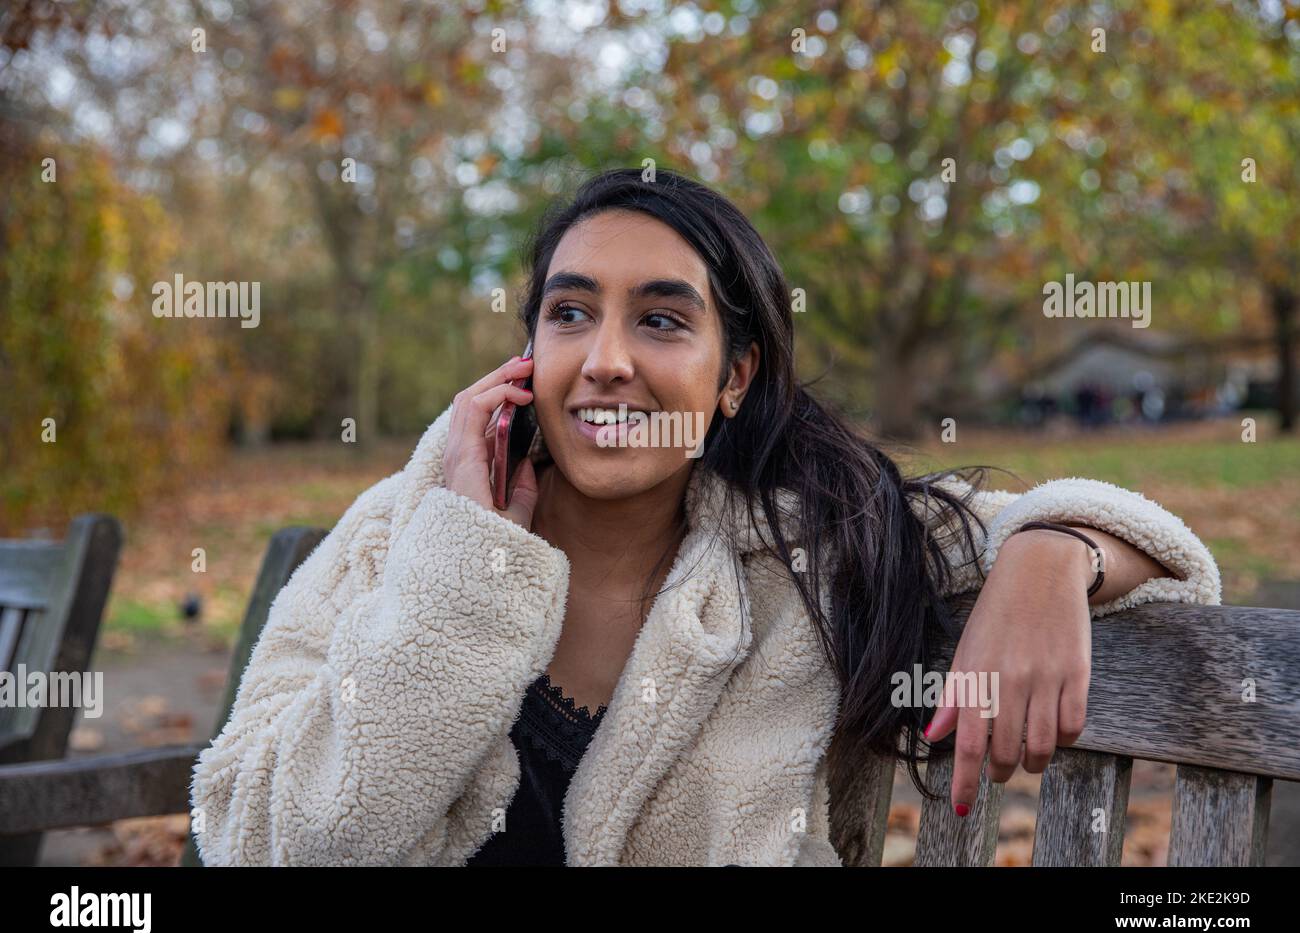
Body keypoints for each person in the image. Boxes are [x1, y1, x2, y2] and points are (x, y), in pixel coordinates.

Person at [189, 168, 1221, 866]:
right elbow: (252, 834)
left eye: (661, 319)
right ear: (527, 355)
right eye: (570, 311)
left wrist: (1046, 555)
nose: (604, 358)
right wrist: (464, 571)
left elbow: (1176, 565)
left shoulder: (814, 548)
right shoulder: (400, 532)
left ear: (734, 376)